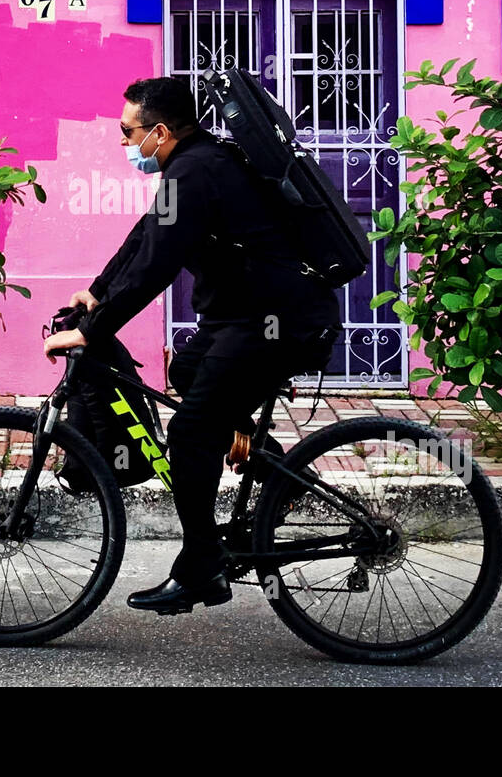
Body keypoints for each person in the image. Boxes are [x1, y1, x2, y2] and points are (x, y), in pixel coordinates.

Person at [41, 76, 341, 615]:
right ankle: (272, 470)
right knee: (187, 373)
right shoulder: (195, 163)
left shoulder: (198, 170)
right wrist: (98, 291)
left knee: (190, 434)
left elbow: (157, 263)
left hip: (276, 324)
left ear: (159, 130)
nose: (125, 142)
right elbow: (148, 234)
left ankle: (201, 567)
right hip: (248, 319)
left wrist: (92, 331)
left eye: (127, 131)